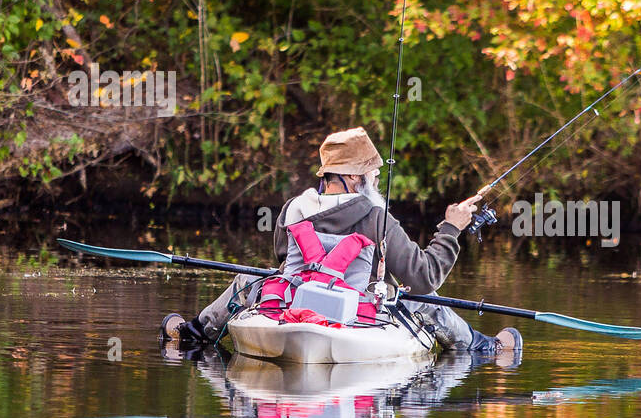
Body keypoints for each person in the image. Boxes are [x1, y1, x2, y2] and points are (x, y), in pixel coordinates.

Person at [160, 127, 520, 355]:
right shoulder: (377, 218)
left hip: (292, 304)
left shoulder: (293, 208)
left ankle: (189, 334)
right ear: (354, 178)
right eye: (372, 174)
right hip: (356, 314)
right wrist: (451, 228)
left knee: (249, 280)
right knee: (425, 298)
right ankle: (485, 347)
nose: (375, 181)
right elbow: (424, 277)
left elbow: (282, 257)